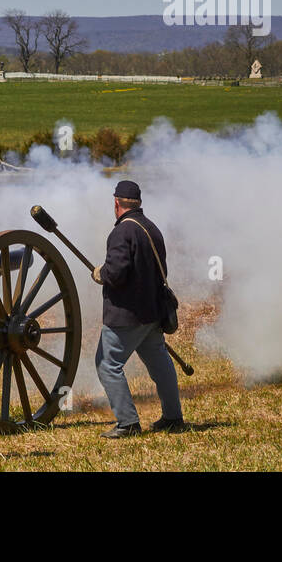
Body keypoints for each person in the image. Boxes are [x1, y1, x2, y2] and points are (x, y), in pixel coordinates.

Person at [93, 180, 184, 437]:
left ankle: (128, 423)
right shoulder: (151, 228)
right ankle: (173, 416)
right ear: (138, 203)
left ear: (116, 203)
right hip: (152, 312)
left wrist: (101, 273)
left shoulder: (122, 232)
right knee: (160, 364)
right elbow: (161, 270)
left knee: (107, 364)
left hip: (126, 315)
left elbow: (117, 273)